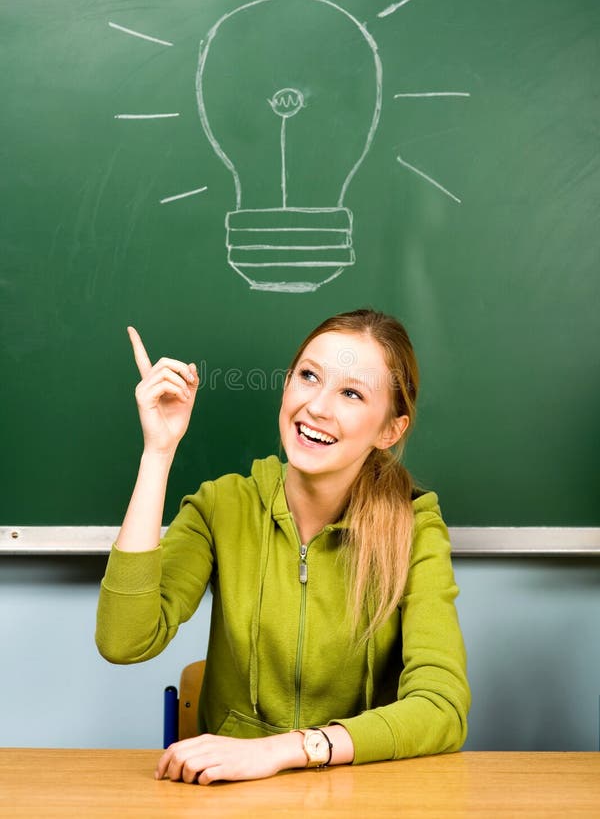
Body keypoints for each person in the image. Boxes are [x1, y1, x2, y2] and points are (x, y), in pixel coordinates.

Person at [96, 308, 470, 785]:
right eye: (309, 376)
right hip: (230, 796)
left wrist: (284, 751)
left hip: (363, 794)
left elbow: (442, 707)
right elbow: (123, 640)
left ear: (389, 430)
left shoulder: (414, 526)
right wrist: (158, 452)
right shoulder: (222, 506)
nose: (316, 406)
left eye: (352, 393)